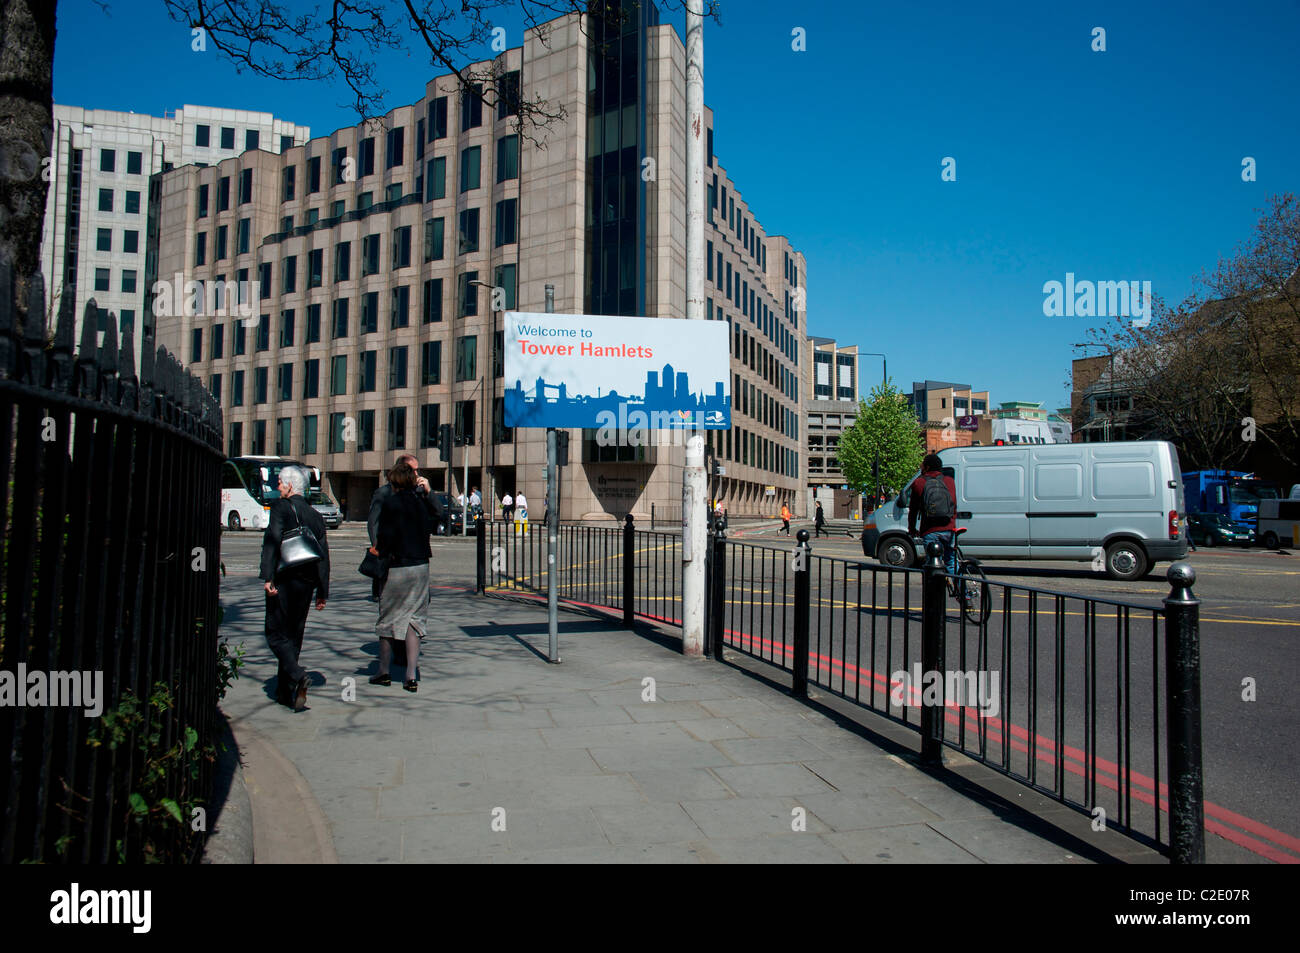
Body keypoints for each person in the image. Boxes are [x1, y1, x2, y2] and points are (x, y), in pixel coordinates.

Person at [259, 465, 330, 711]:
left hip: (284, 578)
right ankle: (286, 691)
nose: (277, 487)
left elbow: (272, 540)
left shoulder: (280, 508)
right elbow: (323, 555)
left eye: (279, 482)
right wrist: (322, 590)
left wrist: (267, 576)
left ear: (289, 486)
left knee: (275, 632)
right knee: (294, 636)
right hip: (307, 581)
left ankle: (297, 673)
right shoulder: (315, 515)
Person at [371, 461, 436, 692]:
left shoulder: (391, 503)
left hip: (397, 566)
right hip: (420, 566)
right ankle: (411, 675)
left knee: (388, 618)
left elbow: (385, 537)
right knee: (415, 620)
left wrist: (380, 556)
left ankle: (384, 671)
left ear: (394, 481)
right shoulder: (421, 503)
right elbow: (438, 516)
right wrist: (429, 493)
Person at [367, 453, 420, 602]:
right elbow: (373, 521)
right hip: (387, 548)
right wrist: (376, 545)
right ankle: (379, 592)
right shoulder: (383, 493)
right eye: (412, 469)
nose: (416, 473)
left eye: (417, 470)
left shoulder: (417, 492)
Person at [908, 452, 958, 576]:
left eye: (923, 465)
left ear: (927, 467)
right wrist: (952, 526)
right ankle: (963, 593)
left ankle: (932, 593)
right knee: (951, 562)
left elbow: (913, 509)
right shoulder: (949, 481)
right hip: (949, 528)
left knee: (932, 565)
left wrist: (912, 528)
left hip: (930, 530)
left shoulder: (919, 483)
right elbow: (954, 506)